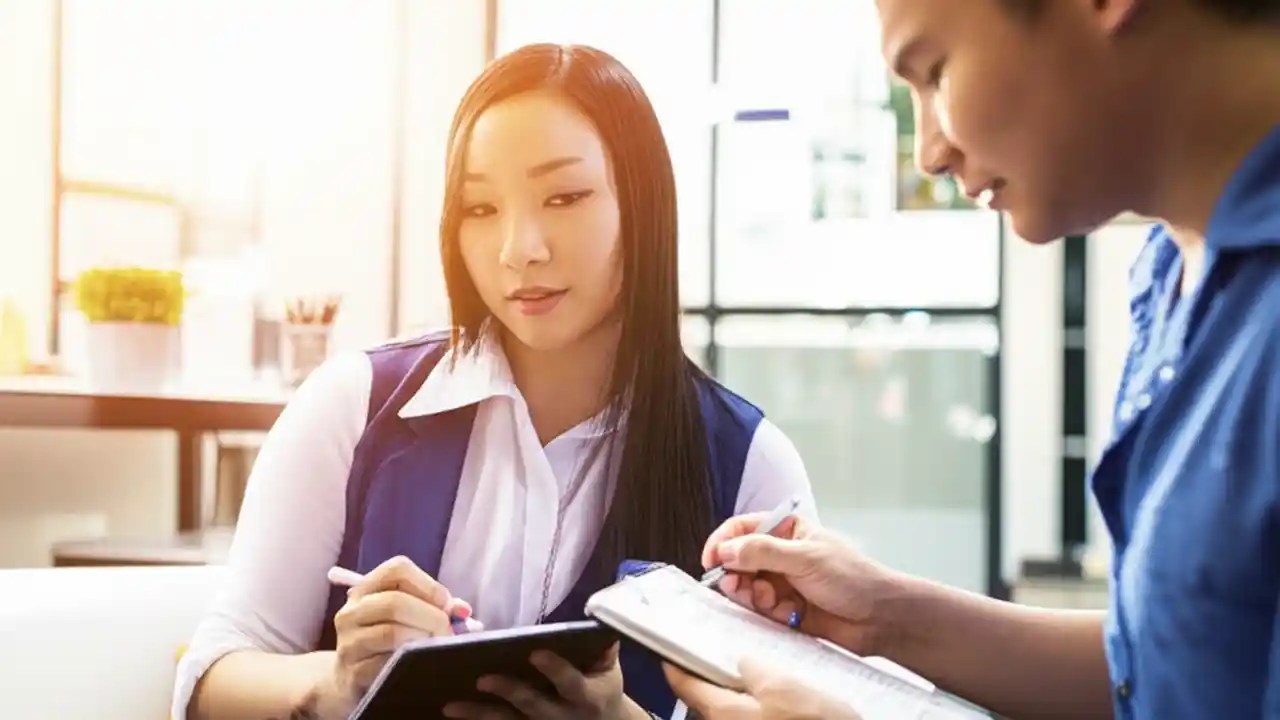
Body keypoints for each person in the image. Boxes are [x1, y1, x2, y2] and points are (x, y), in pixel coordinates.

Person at [665, 0, 1280, 718]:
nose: (930, 151)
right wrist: (888, 617)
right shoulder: (1174, 266)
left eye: (935, 73)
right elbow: (1171, 668)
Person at [172, 43, 816, 720]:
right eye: (480, 208)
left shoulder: (748, 465)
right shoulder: (353, 406)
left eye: (564, 197)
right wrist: (334, 684)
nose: (519, 249)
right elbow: (208, 681)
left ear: (642, 204)